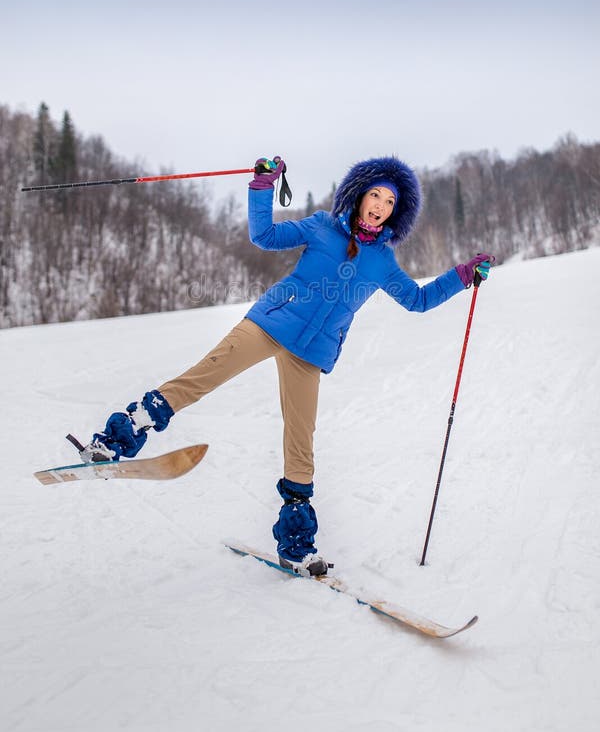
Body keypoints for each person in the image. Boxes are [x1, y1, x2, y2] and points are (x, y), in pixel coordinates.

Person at [81, 155, 493, 576]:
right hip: (270, 323)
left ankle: (295, 544)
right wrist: (262, 186)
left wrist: (462, 276)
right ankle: (118, 438)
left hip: (311, 354)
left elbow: (417, 301)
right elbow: (264, 235)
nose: (380, 206)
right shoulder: (321, 226)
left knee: (301, 444)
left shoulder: (383, 262)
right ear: (359, 194)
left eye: (390, 201)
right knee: (202, 377)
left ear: (396, 212)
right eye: (375, 195)